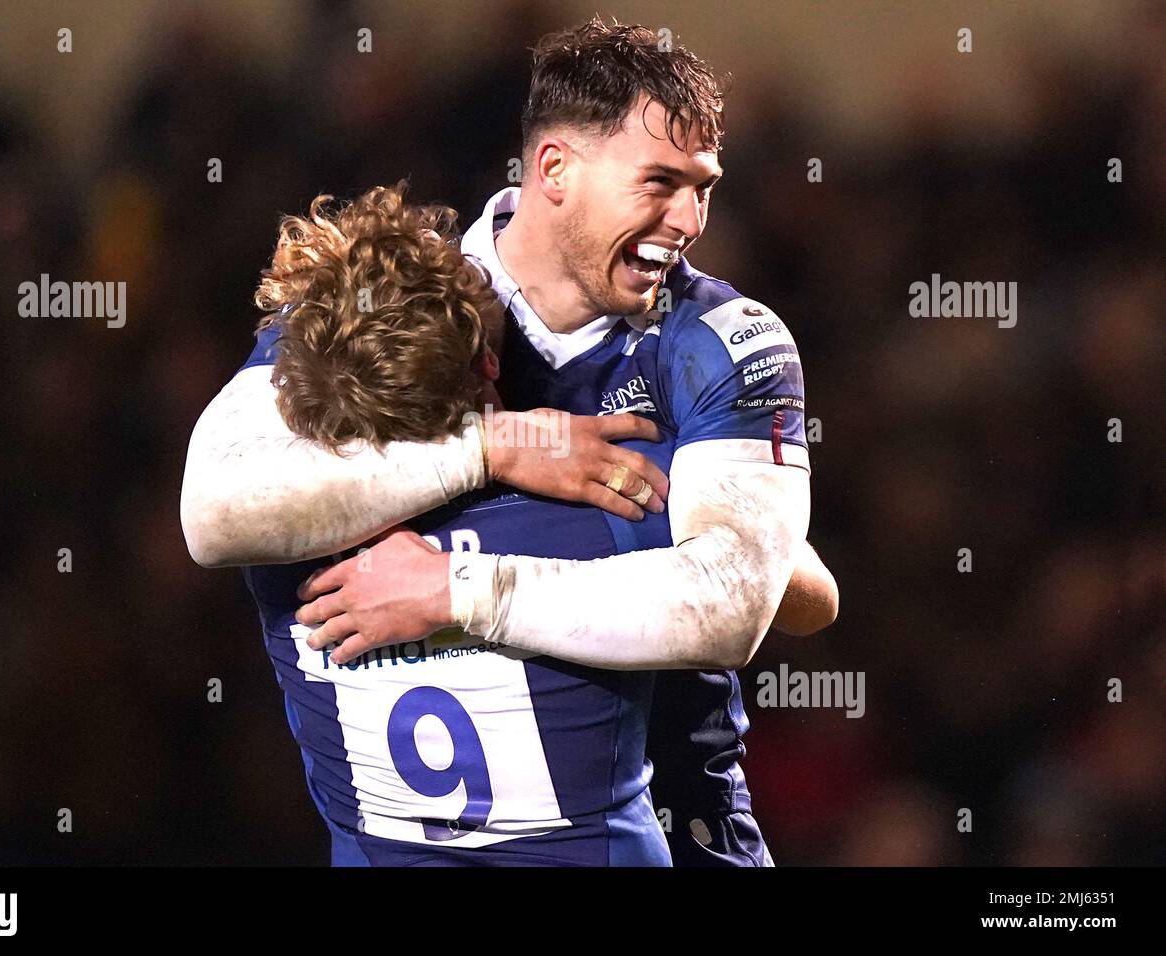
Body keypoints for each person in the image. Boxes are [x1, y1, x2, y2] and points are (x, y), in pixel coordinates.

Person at [182, 18, 837, 866]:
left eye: (703, 185)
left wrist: (457, 582)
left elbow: (756, 597)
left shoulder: (721, 336)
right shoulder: (384, 313)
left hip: (690, 820)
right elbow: (212, 509)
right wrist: (495, 445)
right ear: (554, 169)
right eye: (659, 182)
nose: (688, 218)